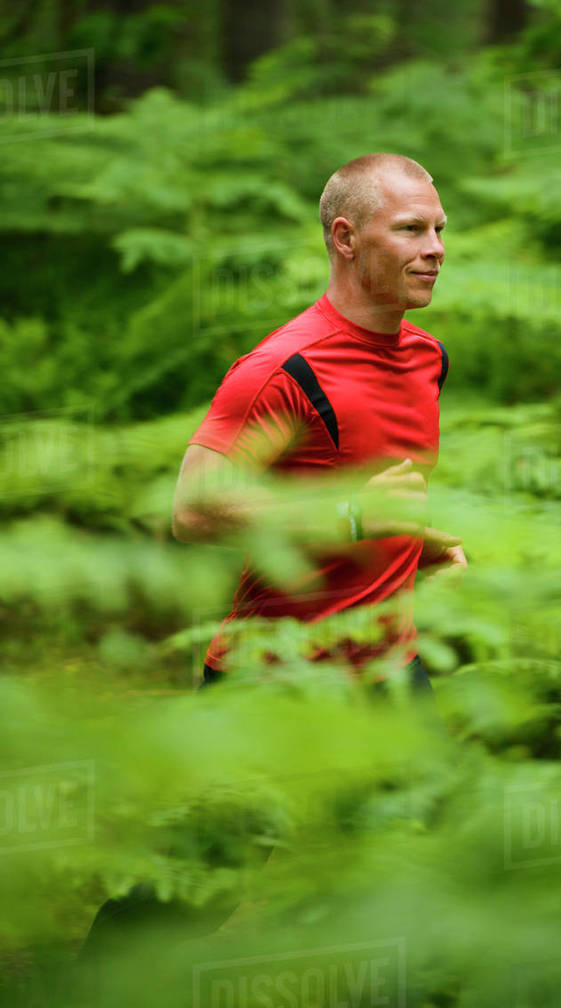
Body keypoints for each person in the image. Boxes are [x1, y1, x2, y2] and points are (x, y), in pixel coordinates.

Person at [78, 152, 465, 961]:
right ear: (345, 237)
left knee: (426, 867)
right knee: (191, 889)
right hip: (272, 673)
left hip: (386, 666)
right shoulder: (283, 369)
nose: (434, 247)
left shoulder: (424, 359)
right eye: (410, 230)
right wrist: (355, 515)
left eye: (437, 229)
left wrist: (415, 543)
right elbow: (195, 508)